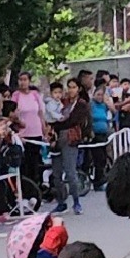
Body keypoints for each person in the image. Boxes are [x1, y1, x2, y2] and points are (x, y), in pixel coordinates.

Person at [49, 78, 90, 215]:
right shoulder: (62, 102)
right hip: (56, 138)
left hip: (70, 138)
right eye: (69, 87)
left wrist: (58, 124)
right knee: (56, 173)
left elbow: (72, 121)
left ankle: (76, 202)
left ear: (78, 89)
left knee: (71, 172)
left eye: (73, 87)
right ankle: (61, 202)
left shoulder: (81, 104)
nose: (71, 90)